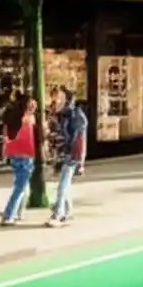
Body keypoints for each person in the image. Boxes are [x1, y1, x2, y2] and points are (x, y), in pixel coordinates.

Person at [46, 88, 87, 228]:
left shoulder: (75, 115)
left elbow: (80, 139)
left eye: (59, 98)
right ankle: (67, 211)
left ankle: (59, 214)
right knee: (65, 183)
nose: (56, 100)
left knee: (62, 184)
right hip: (62, 152)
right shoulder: (57, 114)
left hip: (71, 153)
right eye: (55, 97)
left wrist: (81, 160)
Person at [0, 94, 37, 226]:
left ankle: (19, 212)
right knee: (20, 186)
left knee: (20, 184)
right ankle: (9, 214)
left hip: (14, 153)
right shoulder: (28, 118)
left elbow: (5, 137)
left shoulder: (11, 117)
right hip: (26, 154)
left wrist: (5, 150)